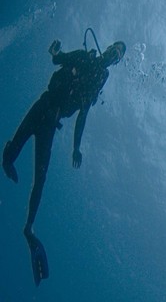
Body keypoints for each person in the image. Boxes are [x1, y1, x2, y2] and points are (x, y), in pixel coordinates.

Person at [3, 38, 126, 285]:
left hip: (51, 122)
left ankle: (29, 228)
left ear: (117, 62)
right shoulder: (83, 56)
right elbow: (58, 59)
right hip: (43, 106)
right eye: (115, 48)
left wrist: (76, 147)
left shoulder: (98, 81)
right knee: (11, 154)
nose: (115, 53)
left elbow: (83, 115)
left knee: (41, 178)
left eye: (119, 54)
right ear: (108, 47)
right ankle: (7, 161)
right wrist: (55, 51)